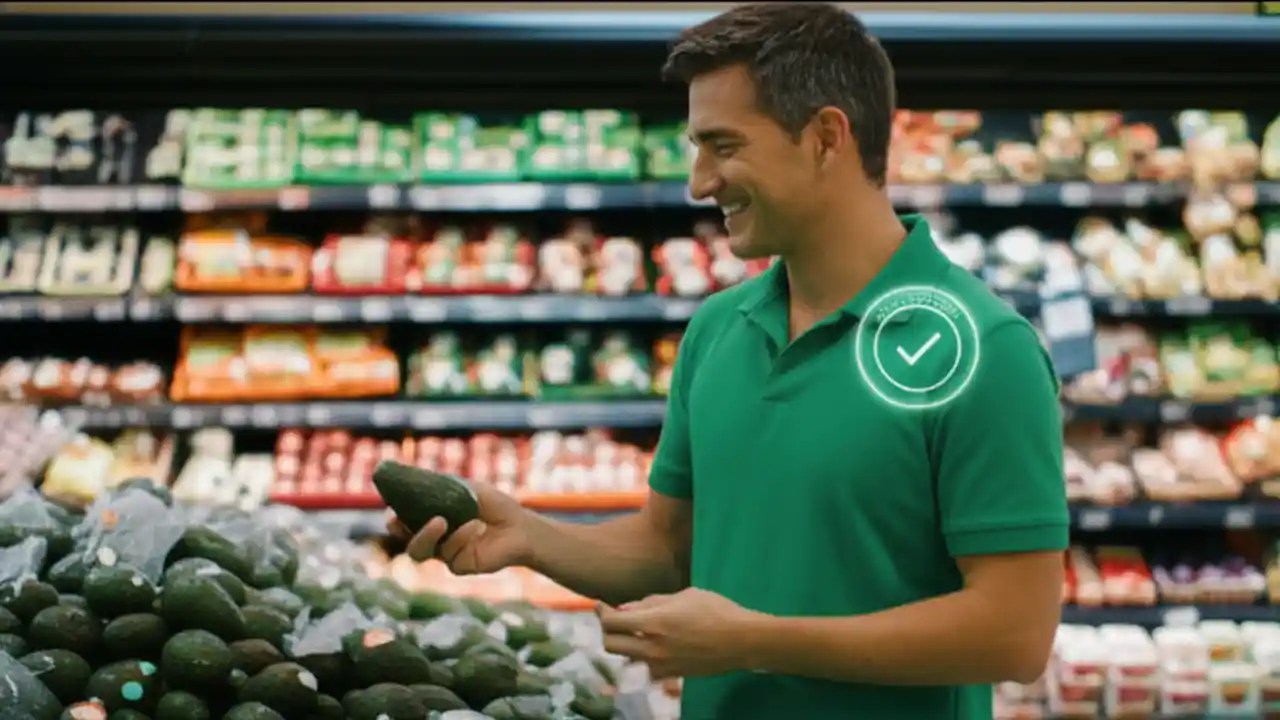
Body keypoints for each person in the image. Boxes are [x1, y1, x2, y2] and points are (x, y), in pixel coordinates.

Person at [388, 3, 1068, 719]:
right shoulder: (718, 330)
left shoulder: (984, 352)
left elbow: (1013, 634)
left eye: (724, 146)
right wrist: (530, 537)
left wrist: (755, 641)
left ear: (825, 138)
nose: (699, 182)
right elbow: (671, 550)